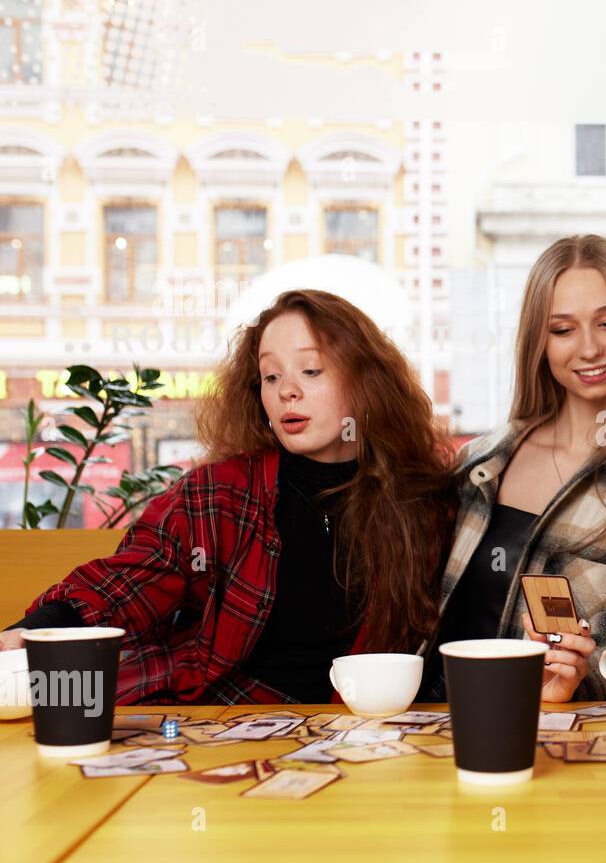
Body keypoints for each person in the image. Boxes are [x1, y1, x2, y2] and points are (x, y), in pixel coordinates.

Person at [1, 289, 459, 705]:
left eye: (310, 369)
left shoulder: (421, 502)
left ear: (367, 382)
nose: (287, 390)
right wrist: (39, 629)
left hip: (360, 735)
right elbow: (133, 578)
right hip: (219, 717)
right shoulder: (219, 492)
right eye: (270, 376)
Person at [430, 234, 606, 703]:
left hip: (558, 742)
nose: (588, 349)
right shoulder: (479, 463)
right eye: (562, 330)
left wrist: (573, 679)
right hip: (428, 729)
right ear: (538, 342)